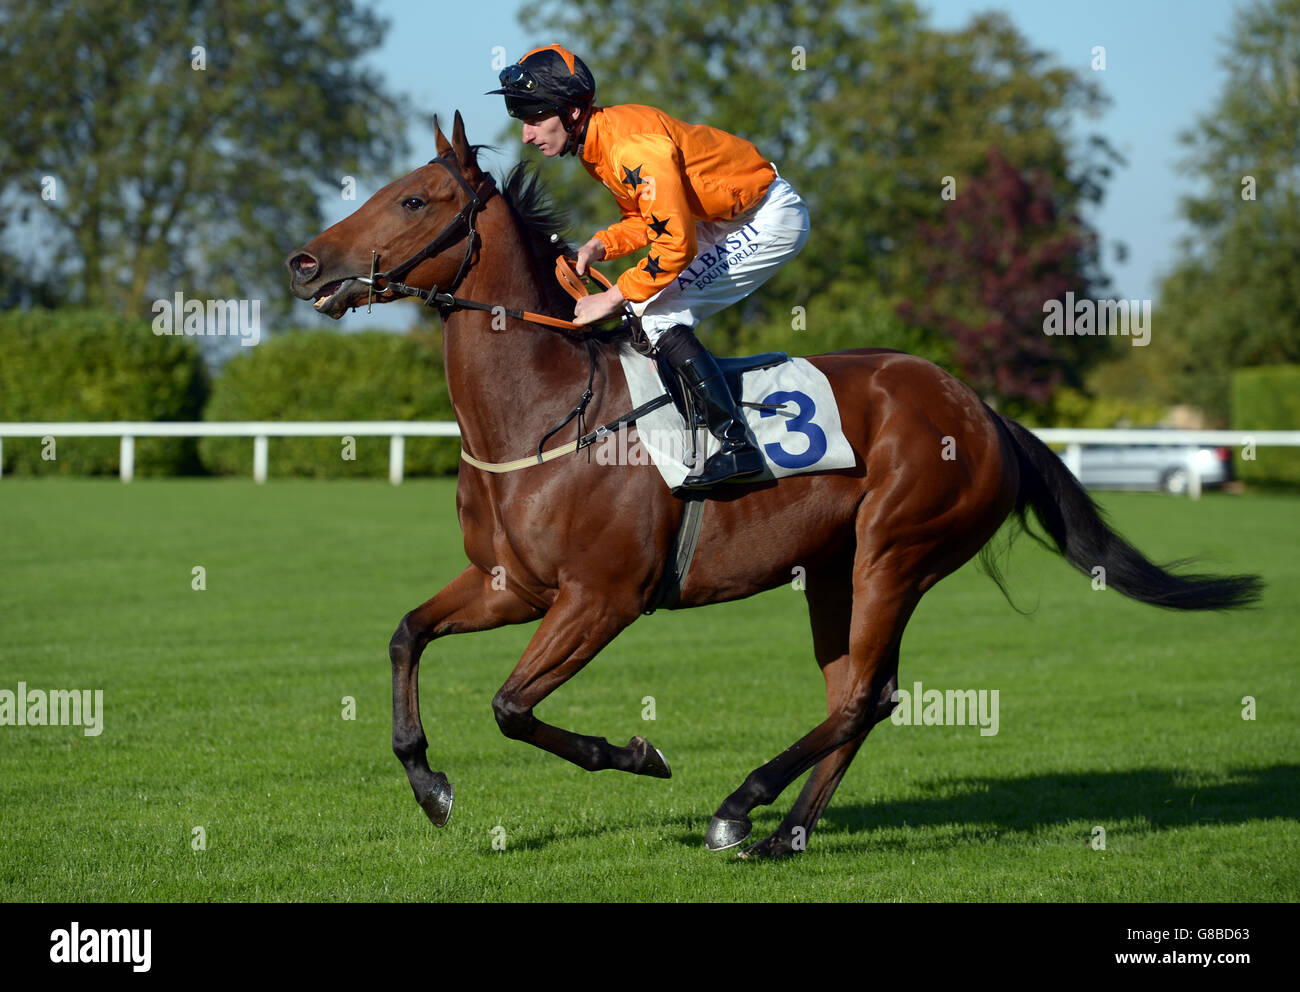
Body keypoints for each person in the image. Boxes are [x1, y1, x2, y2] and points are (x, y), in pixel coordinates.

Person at [488, 44, 810, 490]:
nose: (526, 135)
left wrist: (614, 295)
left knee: (657, 313)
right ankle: (696, 429)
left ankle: (737, 447)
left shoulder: (630, 149)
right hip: (722, 221)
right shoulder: (597, 142)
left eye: (535, 120)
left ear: (574, 111)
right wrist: (601, 244)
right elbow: (647, 219)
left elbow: (675, 245)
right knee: (646, 312)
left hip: (768, 219)